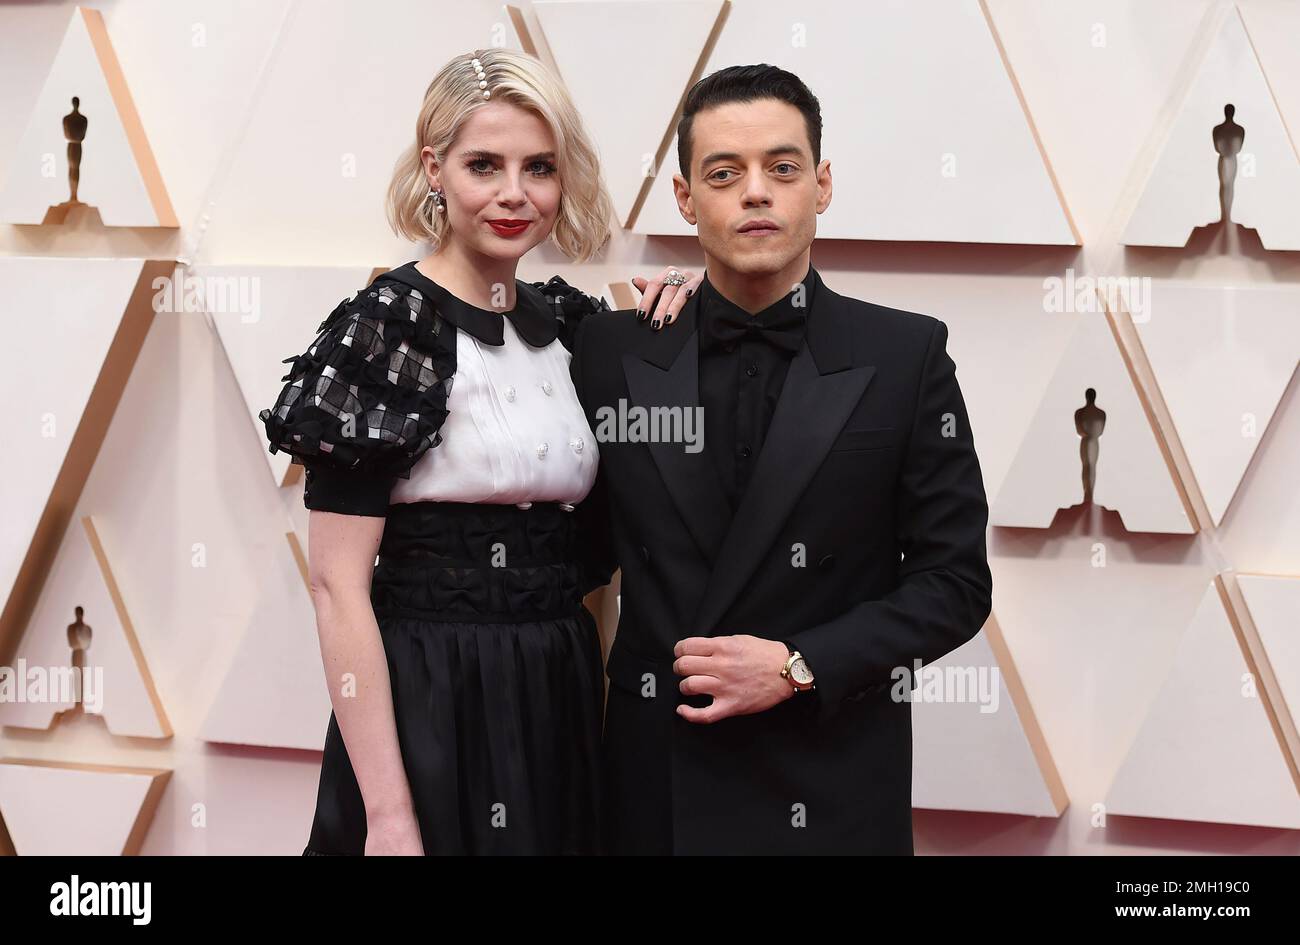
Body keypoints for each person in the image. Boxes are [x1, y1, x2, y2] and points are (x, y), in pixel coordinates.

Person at [260, 48, 696, 855]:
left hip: (557, 682)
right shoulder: (385, 330)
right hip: (429, 691)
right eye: (483, 165)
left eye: (539, 167)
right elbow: (335, 587)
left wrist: (682, 309)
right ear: (434, 169)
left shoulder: (571, 325)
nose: (512, 193)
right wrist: (389, 814)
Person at [569, 64, 994, 854]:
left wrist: (800, 665)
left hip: (830, 782)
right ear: (686, 199)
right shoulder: (611, 348)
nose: (756, 192)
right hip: (655, 787)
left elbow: (955, 584)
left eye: (783, 168)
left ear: (822, 184)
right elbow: (572, 553)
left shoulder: (906, 354)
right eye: (725, 173)